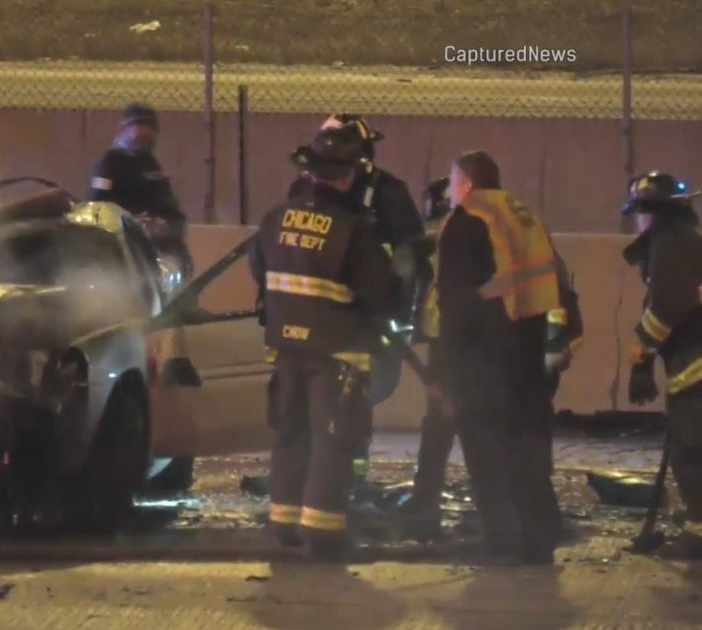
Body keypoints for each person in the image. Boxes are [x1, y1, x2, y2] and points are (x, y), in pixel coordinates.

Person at [395, 176, 583, 542]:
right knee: (454, 431)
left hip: (493, 358)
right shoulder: (479, 241)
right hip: (475, 356)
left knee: (496, 438)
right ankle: (442, 506)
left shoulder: (485, 244)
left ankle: (511, 526)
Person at [249, 123, 400, 561]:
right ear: (348, 176)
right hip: (337, 351)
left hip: (286, 349)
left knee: (291, 436)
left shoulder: (276, 218)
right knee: (334, 440)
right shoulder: (355, 229)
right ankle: (323, 532)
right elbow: (378, 293)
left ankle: (283, 523)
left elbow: (261, 273)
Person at [422, 150, 565, 564]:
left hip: (482, 360)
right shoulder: (523, 216)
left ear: (465, 185)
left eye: (451, 183)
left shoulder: (465, 222)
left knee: (486, 457)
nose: (450, 192)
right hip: (529, 355)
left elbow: (455, 304)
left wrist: (443, 372)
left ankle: (503, 544)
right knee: (529, 452)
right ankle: (541, 539)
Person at [287, 114, 428, 492]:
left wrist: (401, 319)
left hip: (365, 324)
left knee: (355, 401)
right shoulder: (301, 193)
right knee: (305, 407)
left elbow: (411, 259)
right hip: (312, 325)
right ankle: (310, 481)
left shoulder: (387, 194)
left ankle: (346, 479)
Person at [620, 170, 702, 559]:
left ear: (651, 212)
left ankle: (699, 534)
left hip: (696, 364)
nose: (637, 221)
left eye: (639, 211)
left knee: (691, 448)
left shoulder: (669, 244)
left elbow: (667, 305)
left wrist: (643, 353)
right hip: (692, 360)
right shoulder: (685, 240)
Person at [87, 103, 191, 275]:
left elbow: (165, 202)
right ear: (126, 129)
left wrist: (168, 222)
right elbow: (99, 205)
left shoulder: (149, 163)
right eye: (139, 126)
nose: (144, 133)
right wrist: (134, 221)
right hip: (124, 240)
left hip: (152, 240)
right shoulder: (111, 163)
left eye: (149, 127)